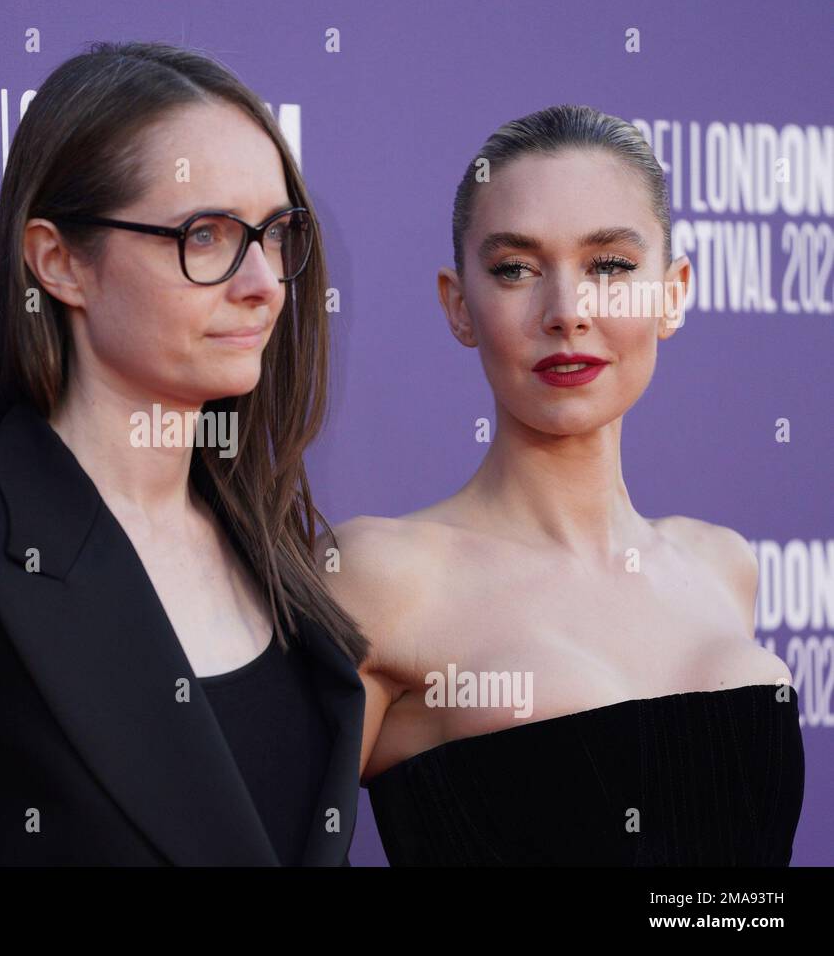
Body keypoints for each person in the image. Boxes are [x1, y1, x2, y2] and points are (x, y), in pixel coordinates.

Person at [0, 41, 367, 866]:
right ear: (58, 263)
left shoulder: (276, 550)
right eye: (207, 234)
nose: (263, 280)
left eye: (275, 233)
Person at [324, 104, 803, 865]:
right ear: (459, 305)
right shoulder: (381, 577)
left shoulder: (723, 566)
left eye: (610, 265)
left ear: (673, 293)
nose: (567, 312)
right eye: (516, 268)